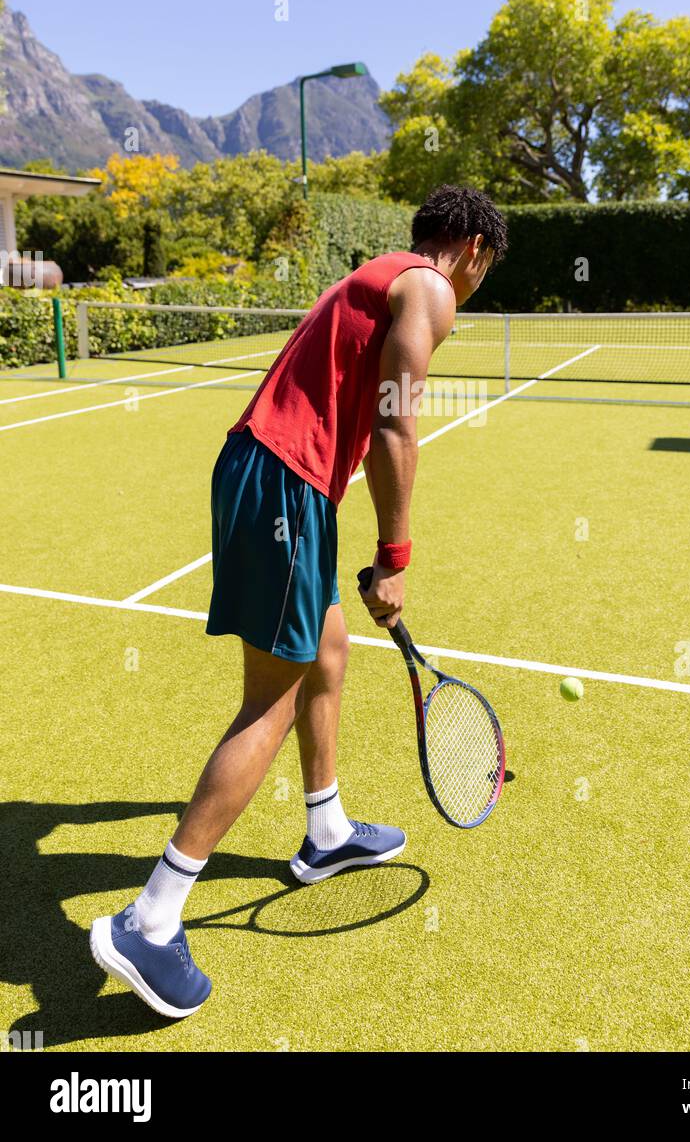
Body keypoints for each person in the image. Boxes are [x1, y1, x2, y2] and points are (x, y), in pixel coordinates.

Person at [89, 184, 508, 1017]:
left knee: (329, 646)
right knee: (269, 704)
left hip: (272, 476)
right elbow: (394, 423)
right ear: (469, 248)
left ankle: (325, 833)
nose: (473, 283)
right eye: (483, 269)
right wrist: (393, 556)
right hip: (283, 481)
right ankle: (151, 918)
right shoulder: (426, 286)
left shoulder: (374, 275)